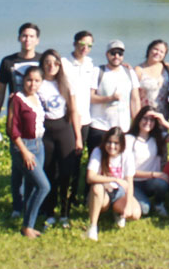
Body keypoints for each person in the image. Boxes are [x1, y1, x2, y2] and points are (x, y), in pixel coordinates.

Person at [37, 49, 82, 229]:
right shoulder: (37, 84)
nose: (51, 66)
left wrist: (78, 137)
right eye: (47, 62)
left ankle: (65, 212)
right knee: (49, 173)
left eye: (55, 63)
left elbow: (74, 111)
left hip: (64, 131)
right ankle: (49, 212)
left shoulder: (65, 84)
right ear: (42, 64)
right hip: (45, 133)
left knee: (66, 173)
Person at [7, 66, 51, 238]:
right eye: (29, 80)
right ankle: (27, 227)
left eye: (37, 80)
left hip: (38, 145)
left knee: (32, 188)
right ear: (23, 81)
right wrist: (24, 151)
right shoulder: (17, 99)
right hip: (24, 146)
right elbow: (12, 129)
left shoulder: (37, 98)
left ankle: (28, 222)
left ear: (41, 82)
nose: (32, 84)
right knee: (44, 186)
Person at [85, 127, 139, 241]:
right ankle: (93, 226)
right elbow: (90, 177)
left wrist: (128, 205)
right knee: (96, 188)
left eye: (116, 143)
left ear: (122, 144)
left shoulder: (127, 154)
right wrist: (114, 179)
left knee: (135, 213)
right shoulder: (98, 152)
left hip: (119, 193)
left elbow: (129, 182)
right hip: (103, 193)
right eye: (109, 142)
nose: (112, 146)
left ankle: (117, 213)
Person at [62, 30, 97, 207]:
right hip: (67, 119)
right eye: (82, 43)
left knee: (79, 157)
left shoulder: (91, 64)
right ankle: (64, 195)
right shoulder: (64, 63)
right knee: (68, 159)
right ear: (75, 43)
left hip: (86, 120)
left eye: (89, 45)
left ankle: (75, 195)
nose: (85, 48)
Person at [88, 40, 140, 155]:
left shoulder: (129, 73)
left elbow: (135, 99)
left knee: (119, 162)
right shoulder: (98, 71)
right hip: (100, 126)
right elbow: (90, 97)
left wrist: (137, 124)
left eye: (120, 53)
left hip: (123, 128)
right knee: (97, 161)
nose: (116, 56)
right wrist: (109, 98)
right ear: (107, 54)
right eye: (113, 53)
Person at [0, 22, 41, 139]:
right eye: (24, 36)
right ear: (19, 38)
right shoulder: (8, 62)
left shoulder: (43, 60)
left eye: (31, 36)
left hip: (40, 118)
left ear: (37, 40)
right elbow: (0, 93)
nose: (27, 39)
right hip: (17, 117)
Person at [126, 106, 169, 218]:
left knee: (161, 183)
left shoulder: (158, 138)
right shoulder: (128, 139)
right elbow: (127, 171)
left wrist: (165, 122)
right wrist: (154, 174)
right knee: (144, 210)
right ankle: (136, 200)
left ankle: (159, 204)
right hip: (133, 182)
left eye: (152, 120)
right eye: (145, 118)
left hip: (150, 183)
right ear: (138, 119)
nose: (148, 122)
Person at [135, 39, 169, 118]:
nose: (157, 53)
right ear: (149, 50)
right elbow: (133, 96)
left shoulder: (167, 68)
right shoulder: (139, 70)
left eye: (161, 52)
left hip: (162, 116)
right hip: (144, 115)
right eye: (155, 49)